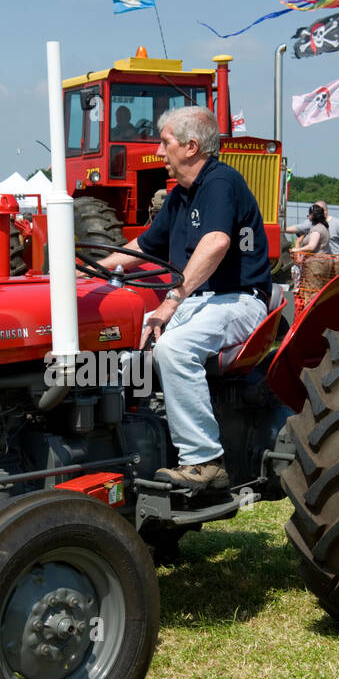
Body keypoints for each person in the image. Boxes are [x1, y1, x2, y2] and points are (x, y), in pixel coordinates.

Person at [95, 105, 271, 494]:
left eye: (165, 142)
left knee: (174, 348)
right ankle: (121, 450)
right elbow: (142, 246)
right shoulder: (180, 196)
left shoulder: (221, 182)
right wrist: (88, 270)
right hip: (198, 302)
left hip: (238, 299)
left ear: (191, 147)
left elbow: (216, 242)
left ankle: (205, 461)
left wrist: (172, 300)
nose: (158, 152)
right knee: (118, 353)